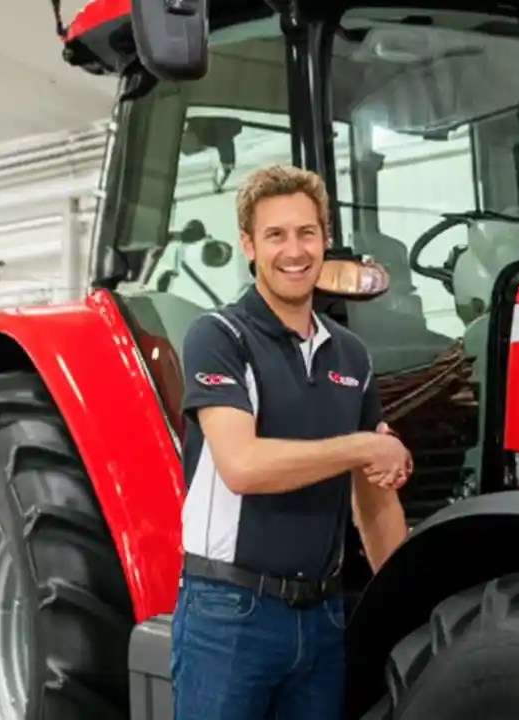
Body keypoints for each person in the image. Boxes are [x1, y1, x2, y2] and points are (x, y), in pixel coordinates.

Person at [170, 164, 413, 720]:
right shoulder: (219, 337)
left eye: (307, 233)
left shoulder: (350, 355)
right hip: (229, 613)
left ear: (326, 240)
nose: (294, 250)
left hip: (322, 617)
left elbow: (372, 498)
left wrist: (411, 602)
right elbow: (243, 467)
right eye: (275, 235)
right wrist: (362, 448)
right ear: (248, 246)